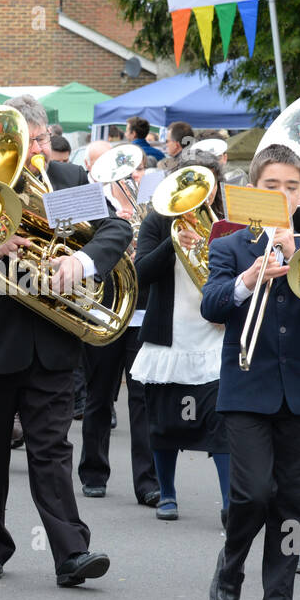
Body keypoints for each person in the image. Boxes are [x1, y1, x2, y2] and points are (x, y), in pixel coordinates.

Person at [0, 94, 130, 586]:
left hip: (51, 338)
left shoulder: (64, 183)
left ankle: (71, 551)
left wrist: (82, 261)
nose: (37, 149)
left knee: (52, 447)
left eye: (39, 140)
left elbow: (115, 228)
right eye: (28, 141)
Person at [202, 143, 300, 600]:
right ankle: (232, 561)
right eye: (271, 186)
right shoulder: (229, 245)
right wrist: (245, 280)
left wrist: (294, 252)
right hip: (245, 387)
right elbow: (212, 307)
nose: (282, 194)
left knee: (295, 501)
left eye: (290, 187)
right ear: (251, 192)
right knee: (253, 492)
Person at [130, 149, 231, 522]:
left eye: (208, 184)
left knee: (221, 421)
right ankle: (167, 494)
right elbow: (140, 271)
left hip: (215, 332)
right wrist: (173, 244)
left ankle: (229, 503)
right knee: (164, 421)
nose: (202, 193)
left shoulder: (227, 219)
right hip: (171, 334)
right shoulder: (159, 220)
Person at [77, 141, 159, 507]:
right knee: (100, 393)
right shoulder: (91, 204)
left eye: (138, 169)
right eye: (125, 169)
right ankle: (93, 471)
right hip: (104, 308)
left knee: (142, 398)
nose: (132, 176)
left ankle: (148, 481)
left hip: (141, 312)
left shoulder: (153, 208)